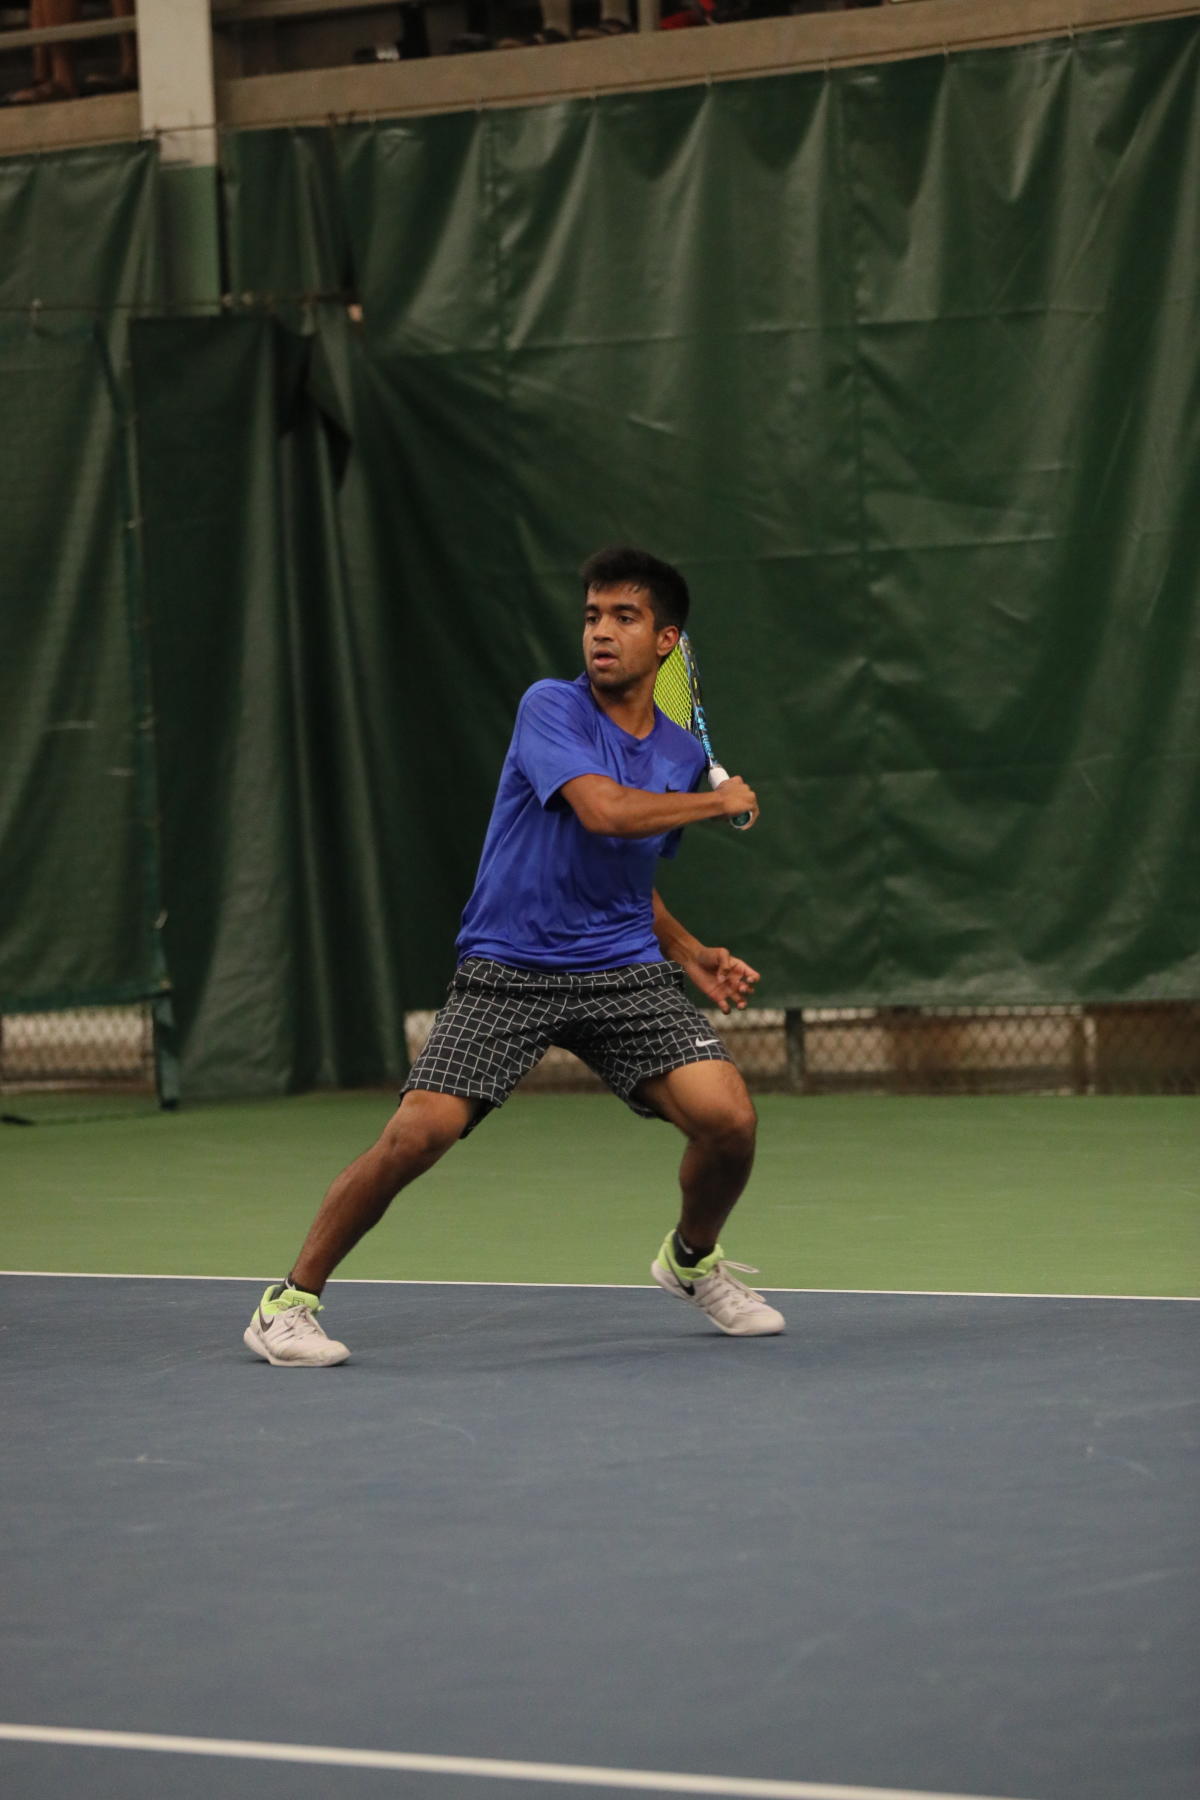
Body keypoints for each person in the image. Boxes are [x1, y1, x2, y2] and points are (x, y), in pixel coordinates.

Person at [244, 546, 784, 1367]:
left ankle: (689, 1258)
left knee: (729, 1121)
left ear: (666, 641)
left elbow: (627, 871)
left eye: (624, 617)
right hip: (511, 967)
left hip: (622, 969)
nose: (601, 633)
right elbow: (602, 813)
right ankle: (288, 1301)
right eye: (593, 615)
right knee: (416, 1137)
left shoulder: (676, 754)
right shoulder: (550, 709)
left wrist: (689, 953)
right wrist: (716, 801)